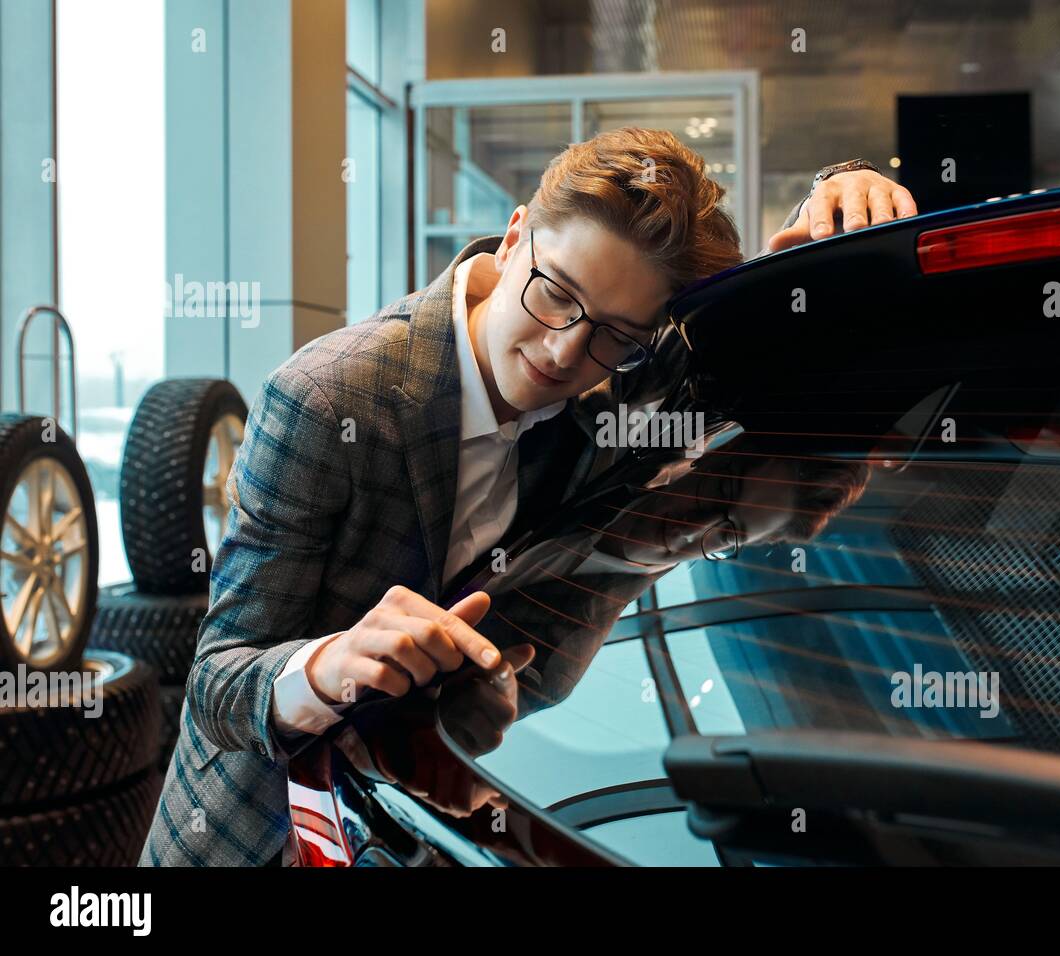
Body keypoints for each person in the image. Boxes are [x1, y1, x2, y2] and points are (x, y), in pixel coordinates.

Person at [140, 126, 916, 866]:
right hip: (259, 833)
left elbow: (757, 347)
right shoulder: (329, 399)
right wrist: (329, 663)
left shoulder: (625, 367)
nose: (564, 349)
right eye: (554, 293)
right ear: (514, 239)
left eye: (613, 334)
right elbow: (217, 682)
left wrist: (837, 191)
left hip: (463, 810)